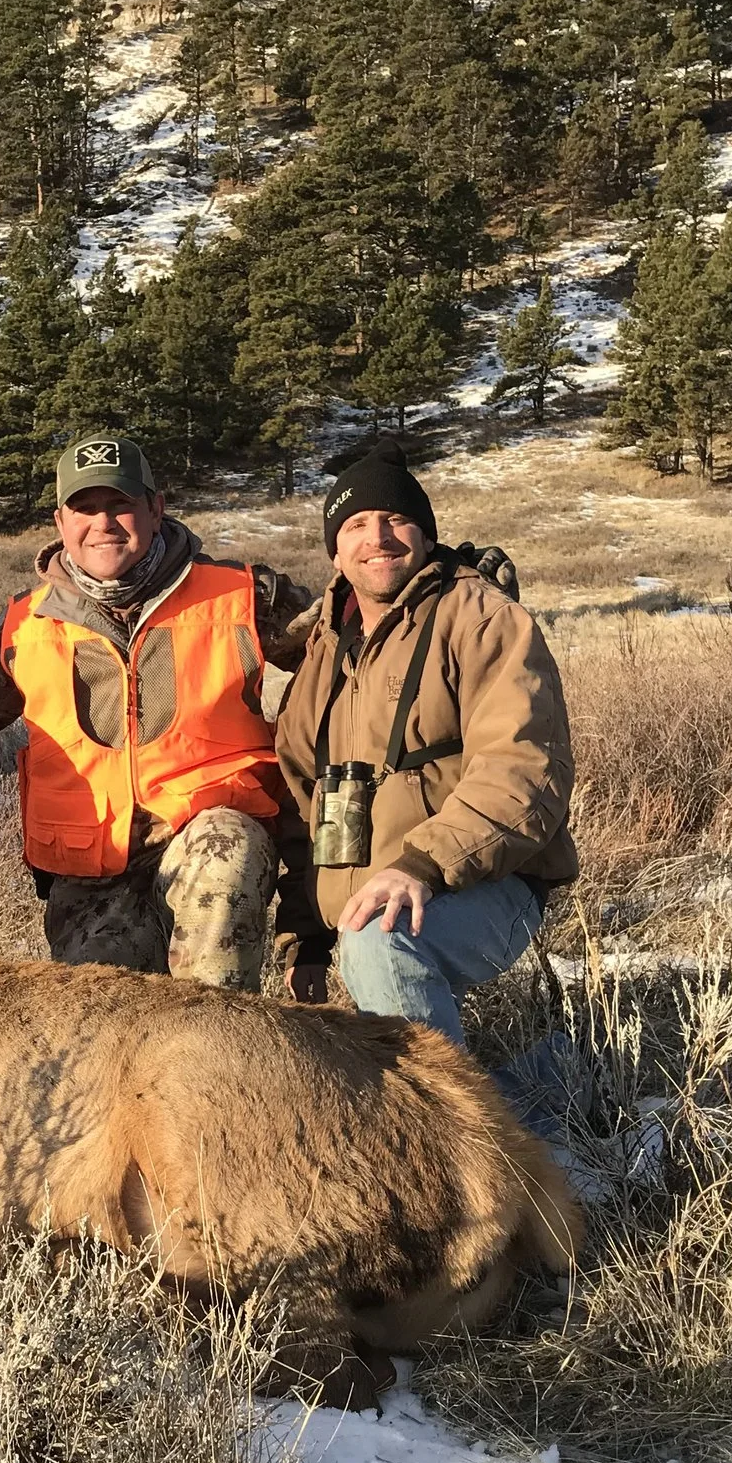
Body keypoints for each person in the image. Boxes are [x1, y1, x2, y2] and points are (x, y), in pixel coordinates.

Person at [0, 432, 321, 989]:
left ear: (156, 508)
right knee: (102, 1031)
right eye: (85, 508)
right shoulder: (24, 624)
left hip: (207, 835)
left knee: (224, 864)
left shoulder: (244, 596)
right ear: (60, 521)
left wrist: (442, 585)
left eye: (121, 504)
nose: (104, 523)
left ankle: (217, 1049)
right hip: (88, 868)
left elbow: (351, 648)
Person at [274, 440, 576, 1044]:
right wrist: (305, 934)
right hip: (359, 900)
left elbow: (523, 768)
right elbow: (303, 798)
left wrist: (422, 865)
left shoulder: (482, 618)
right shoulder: (322, 647)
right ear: (336, 552)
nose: (377, 538)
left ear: (425, 533)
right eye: (356, 525)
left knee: (382, 941)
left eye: (396, 520)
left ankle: (448, 1131)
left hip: (481, 886)